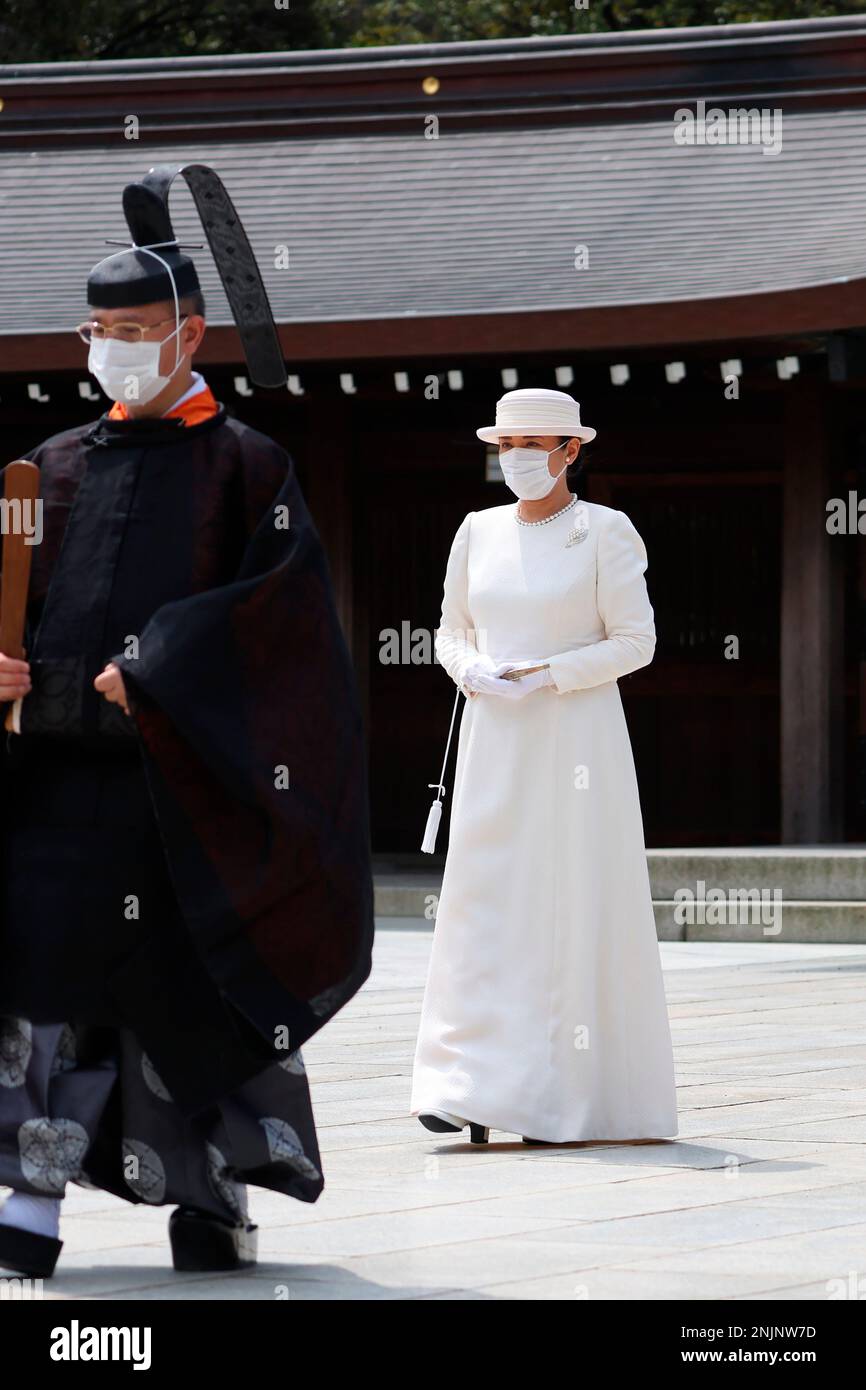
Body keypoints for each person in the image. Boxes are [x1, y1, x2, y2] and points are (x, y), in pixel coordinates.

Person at [0, 164, 374, 1278]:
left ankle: (210, 1201)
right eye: (98, 328)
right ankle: (26, 1197)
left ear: (189, 333)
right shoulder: (43, 468)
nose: (113, 345)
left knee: (190, 987)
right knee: (39, 988)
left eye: (136, 327)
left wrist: (161, 667)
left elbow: (283, 618)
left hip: (186, 789)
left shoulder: (247, 463)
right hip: (52, 787)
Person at [410, 387, 677, 1146]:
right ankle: (464, 1084)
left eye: (535, 445)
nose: (519, 459)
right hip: (495, 734)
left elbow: (636, 641)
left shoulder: (603, 531)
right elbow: (449, 628)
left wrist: (548, 672)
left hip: (575, 738)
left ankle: (556, 1092)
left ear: (571, 451)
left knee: (561, 901)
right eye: (507, 446)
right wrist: (473, 671)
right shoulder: (477, 530)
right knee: (482, 899)